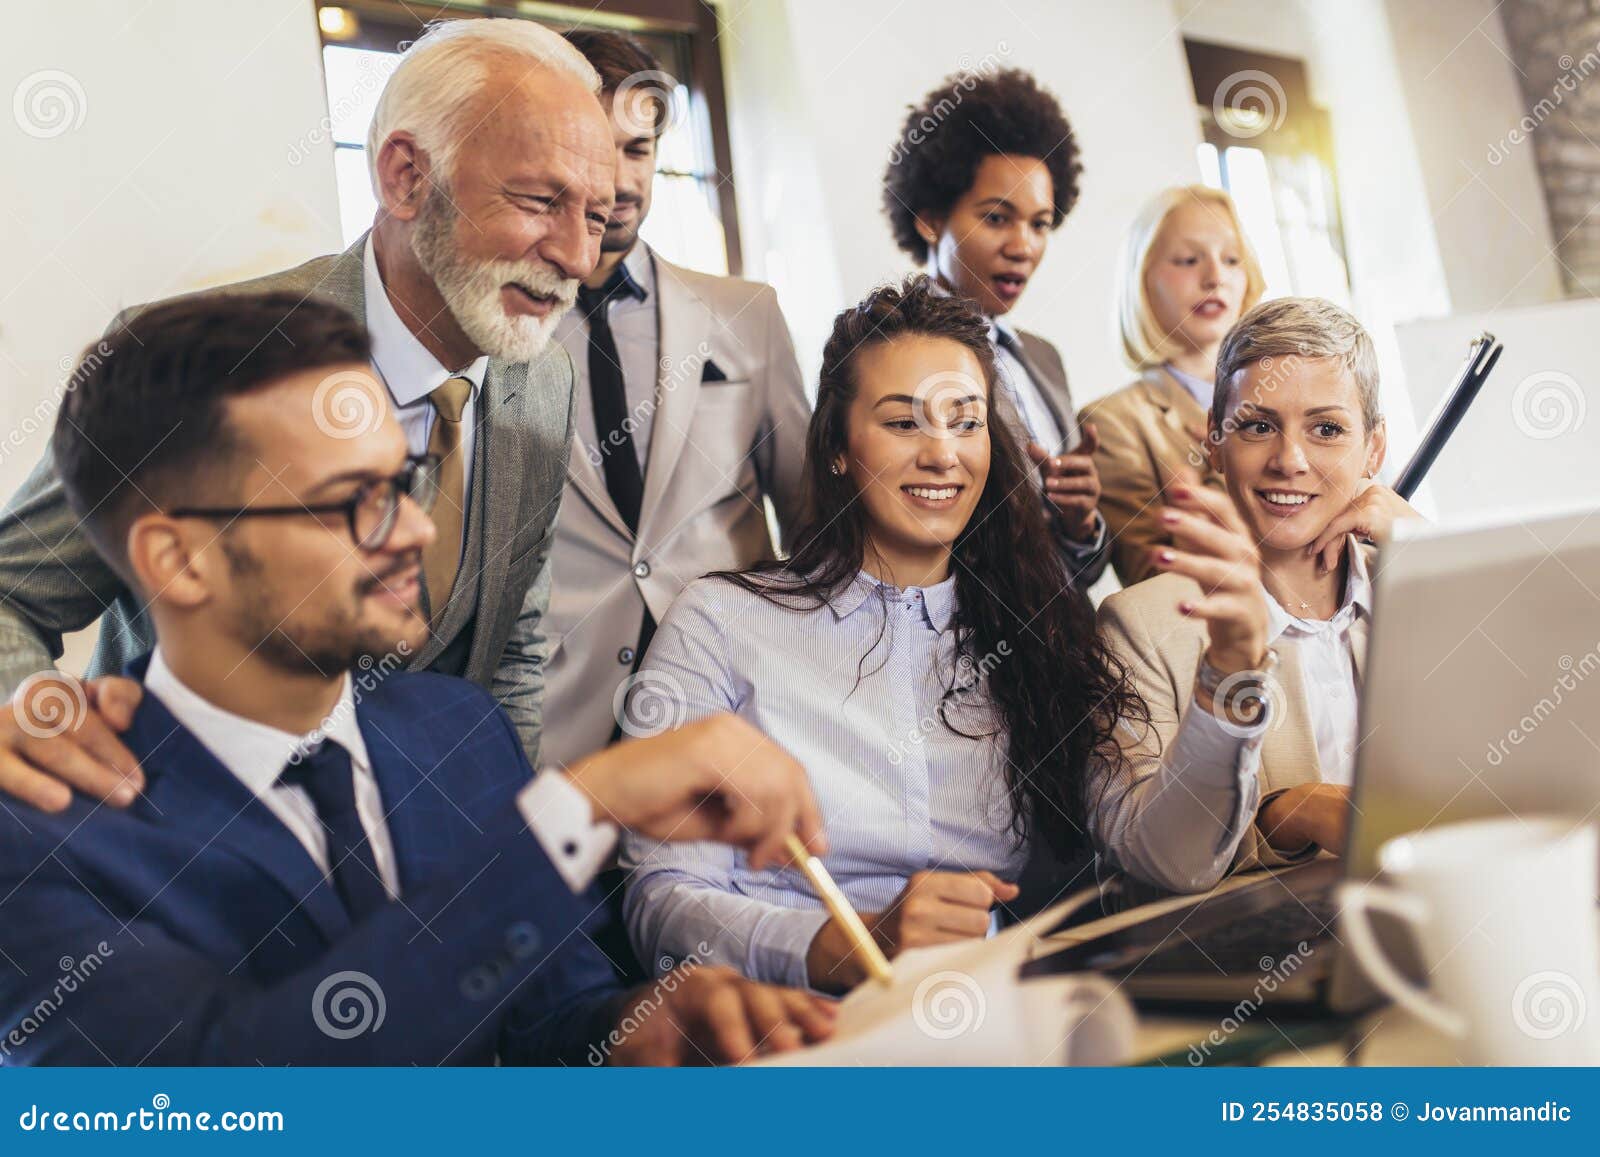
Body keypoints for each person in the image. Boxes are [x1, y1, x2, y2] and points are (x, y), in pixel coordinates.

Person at [0, 292, 835, 1066]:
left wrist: (635, 1030)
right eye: (349, 501)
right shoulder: (41, 841)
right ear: (179, 559)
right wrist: (580, 807)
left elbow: (550, 1014)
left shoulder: (458, 729)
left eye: (400, 481)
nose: (412, 529)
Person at [0, 18, 608, 811]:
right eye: (539, 200)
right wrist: (28, 713)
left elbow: (510, 652)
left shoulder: (546, 377)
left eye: (598, 216)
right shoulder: (199, 365)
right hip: (181, 860)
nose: (578, 256)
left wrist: (499, 845)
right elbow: (10, 592)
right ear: (405, 176)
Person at [620, 277, 1145, 993]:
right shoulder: (720, 620)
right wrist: (845, 942)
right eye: (903, 424)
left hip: (982, 1019)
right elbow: (660, 899)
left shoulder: (1034, 631)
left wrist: (1227, 685)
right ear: (836, 446)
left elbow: (1140, 835)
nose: (942, 454)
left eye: (965, 421)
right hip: (791, 1029)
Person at [1088, 297, 1422, 897]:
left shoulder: (1419, 583)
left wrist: (1433, 559)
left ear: (1373, 451)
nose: (1289, 461)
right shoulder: (1137, 627)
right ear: (1213, 441)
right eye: (1258, 426)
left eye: (1327, 429)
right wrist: (1283, 814)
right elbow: (1157, 859)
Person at [544, 30, 809, 768]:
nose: (624, 182)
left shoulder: (748, 313)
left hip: (746, 712)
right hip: (563, 737)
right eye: (599, 149)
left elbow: (816, 523)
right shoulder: (495, 332)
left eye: (638, 149)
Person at [882, 68, 1108, 587]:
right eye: (997, 218)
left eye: (1039, 223)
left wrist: (1082, 524)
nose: (1023, 246)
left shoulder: (1042, 356)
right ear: (930, 218)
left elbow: (1080, 570)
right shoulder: (891, 351)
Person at [1083, 185, 1265, 586]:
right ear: (1142, 280)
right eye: (1187, 260)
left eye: (1232, 259)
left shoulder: (1282, 393)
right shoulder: (1113, 423)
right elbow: (1155, 585)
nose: (1215, 277)